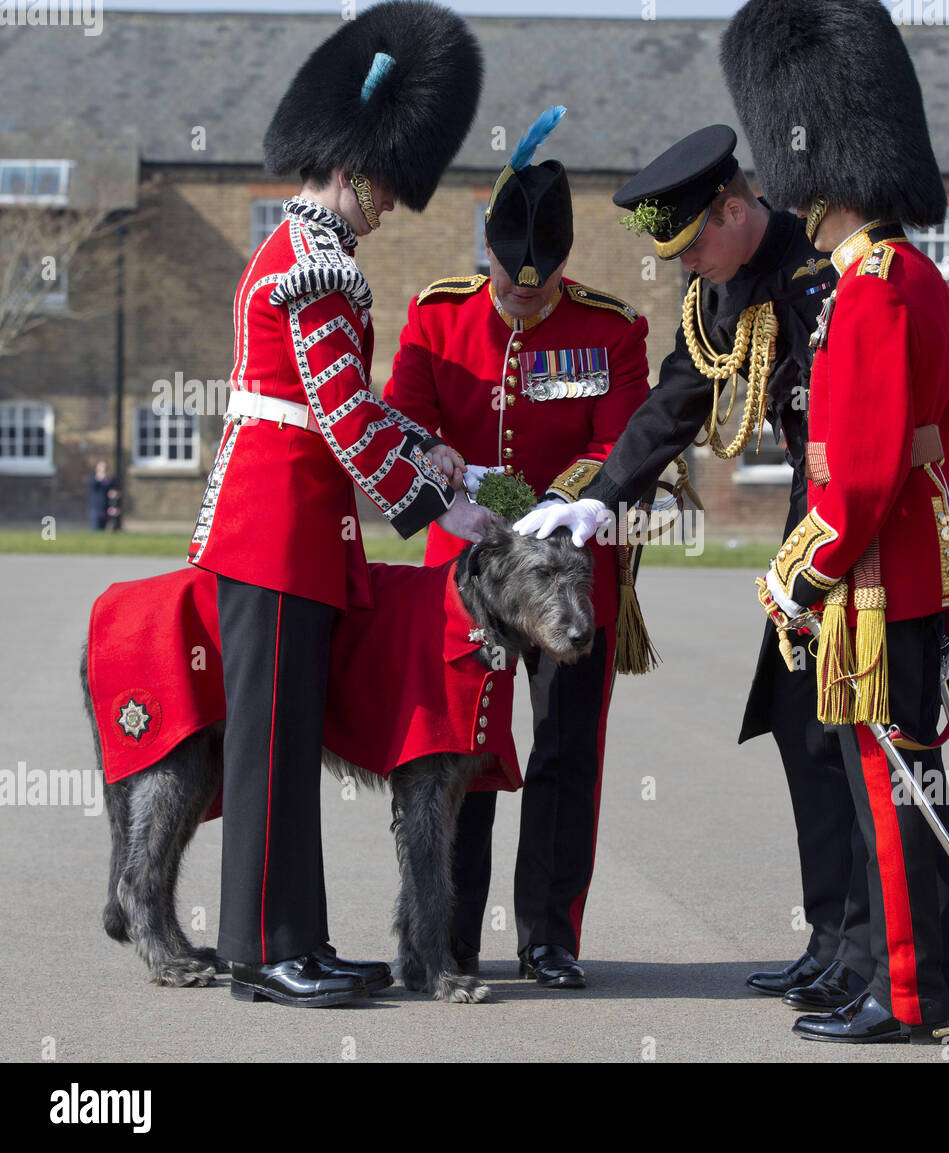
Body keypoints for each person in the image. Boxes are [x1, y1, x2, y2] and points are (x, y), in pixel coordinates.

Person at [516, 125, 881, 1013]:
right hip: (810, 519)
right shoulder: (718, 289)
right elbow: (682, 393)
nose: (688, 269)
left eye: (694, 247)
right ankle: (830, 936)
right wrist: (600, 497)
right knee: (802, 730)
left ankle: (872, 949)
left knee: (845, 739)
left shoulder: (824, 271)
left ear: (735, 207)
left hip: (854, 522)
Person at [186, 0, 489, 1007]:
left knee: (287, 740)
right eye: (386, 186)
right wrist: (440, 509)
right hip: (277, 529)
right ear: (353, 163)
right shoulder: (314, 265)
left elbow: (344, 410)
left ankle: (294, 937)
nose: (389, 205)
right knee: (269, 745)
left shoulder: (311, 253)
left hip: (299, 529)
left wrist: (430, 451)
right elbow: (343, 418)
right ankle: (262, 950)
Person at [723, 0, 949, 1043]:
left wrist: (798, 574)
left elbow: (861, 474)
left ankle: (911, 993)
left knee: (890, 792)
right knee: (905, 787)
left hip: (871, 581)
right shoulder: (903, 277)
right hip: (907, 572)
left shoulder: (870, 291)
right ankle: (916, 979)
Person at [384, 109, 650, 989]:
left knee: (567, 752)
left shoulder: (613, 333)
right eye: (508, 281)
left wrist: (554, 504)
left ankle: (547, 933)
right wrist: (436, 452)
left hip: (571, 575)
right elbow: (403, 419)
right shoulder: (434, 318)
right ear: (485, 255)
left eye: (541, 285)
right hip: (462, 584)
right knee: (465, 753)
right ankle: (451, 937)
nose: (522, 296)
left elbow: (622, 444)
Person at [88, 460, 118, 531]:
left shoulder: (109, 481)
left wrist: (112, 506)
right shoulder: (93, 479)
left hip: (106, 510)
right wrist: (100, 478)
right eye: (102, 470)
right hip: (96, 510)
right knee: (96, 530)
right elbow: (94, 485)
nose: (104, 472)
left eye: (105, 469)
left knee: (103, 531)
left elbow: (113, 494)